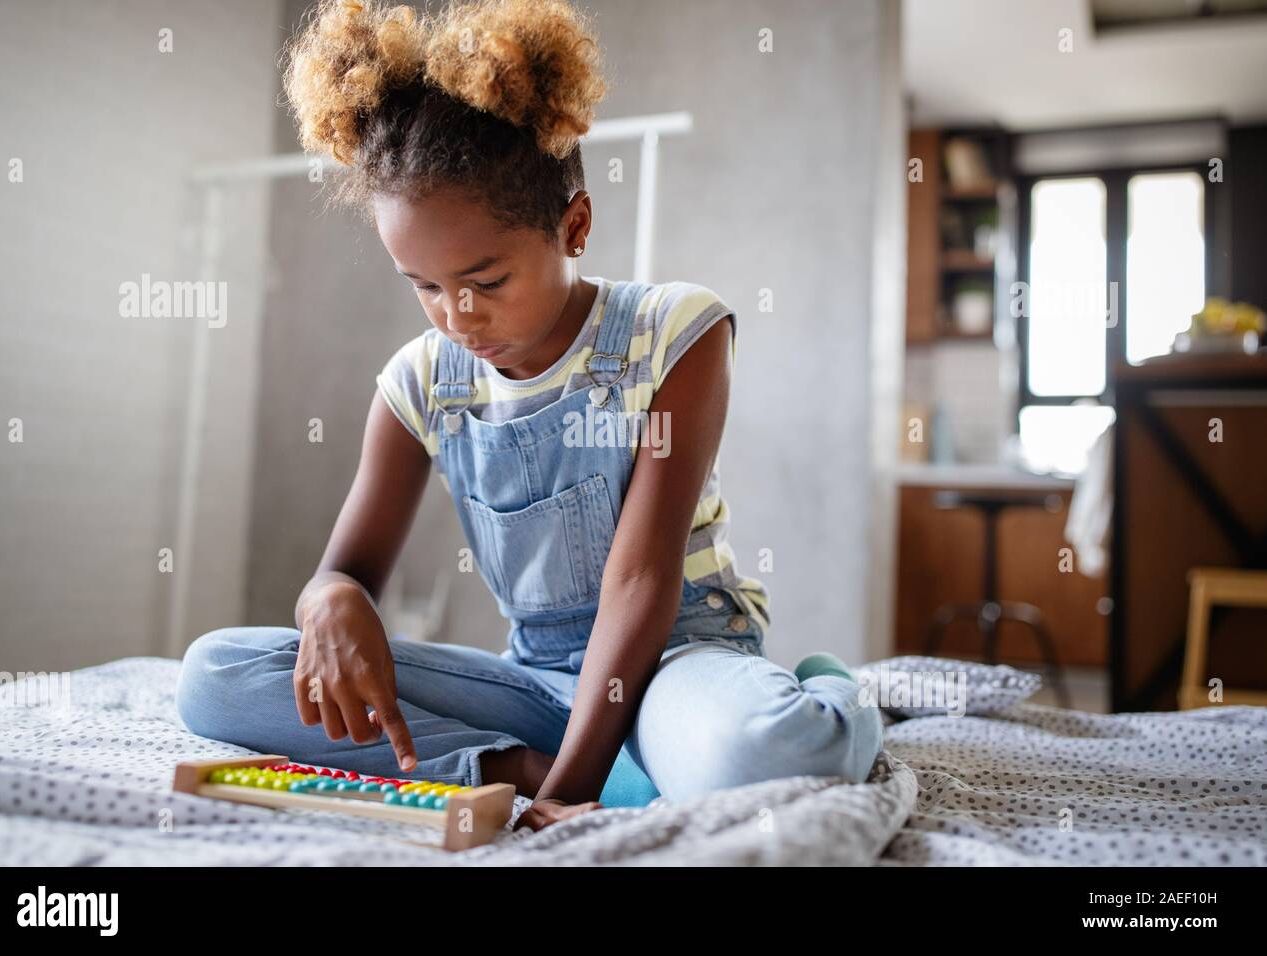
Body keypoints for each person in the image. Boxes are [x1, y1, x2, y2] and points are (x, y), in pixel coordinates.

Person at [176, 0, 881, 833]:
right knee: (214, 675)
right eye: (425, 287)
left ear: (573, 225)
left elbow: (641, 579)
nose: (456, 316)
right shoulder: (419, 384)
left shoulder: (676, 335)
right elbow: (345, 573)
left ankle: (833, 689)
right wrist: (326, 600)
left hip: (672, 670)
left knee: (761, 756)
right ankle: (507, 765)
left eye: (485, 280)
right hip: (536, 689)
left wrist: (572, 793)